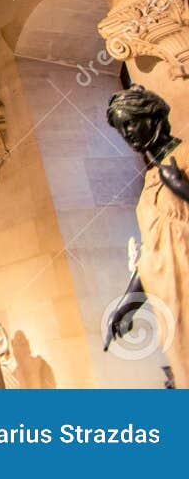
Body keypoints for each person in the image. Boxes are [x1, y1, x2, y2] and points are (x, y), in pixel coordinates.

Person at [103, 85, 189, 383]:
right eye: (120, 127)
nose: (126, 132)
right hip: (169, 296)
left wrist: (182, 189)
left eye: (130, 122)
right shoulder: (151, 179)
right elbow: (153, 250)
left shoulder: (185, 156)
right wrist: (127, 303)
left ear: (152, 118)